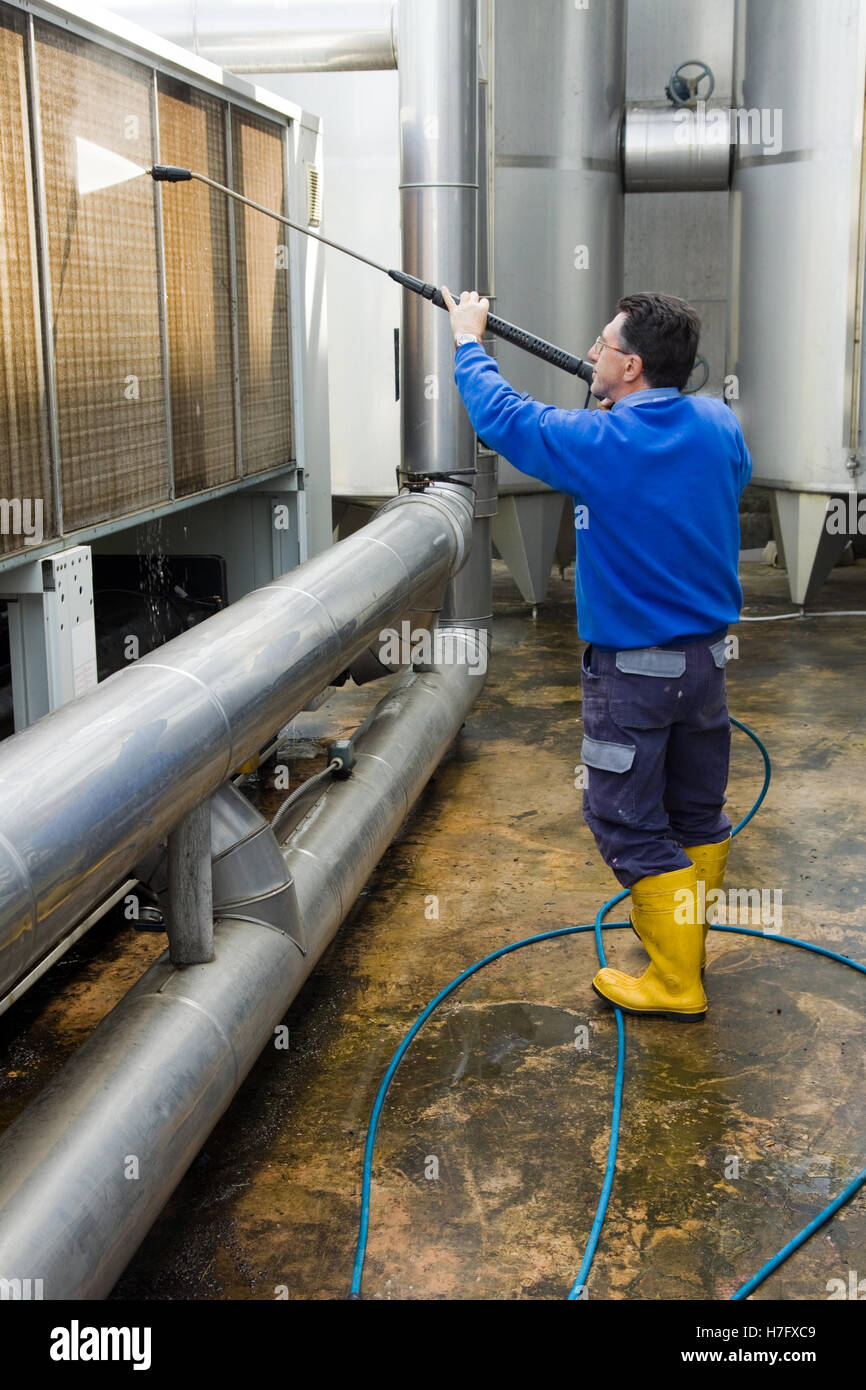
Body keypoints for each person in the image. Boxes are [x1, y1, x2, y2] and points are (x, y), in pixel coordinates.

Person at [442, 285, 752, 1022]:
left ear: (634, 365)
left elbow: (504, 419)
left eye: (604, 345)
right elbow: (713, 480)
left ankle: (676, 983)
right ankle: (680, 943)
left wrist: (467, 340)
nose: (590, 352)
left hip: (636, 675)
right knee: (695, 814)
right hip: (708, 667)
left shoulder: (602, 445)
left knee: (626, 820)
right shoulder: (717, 424)